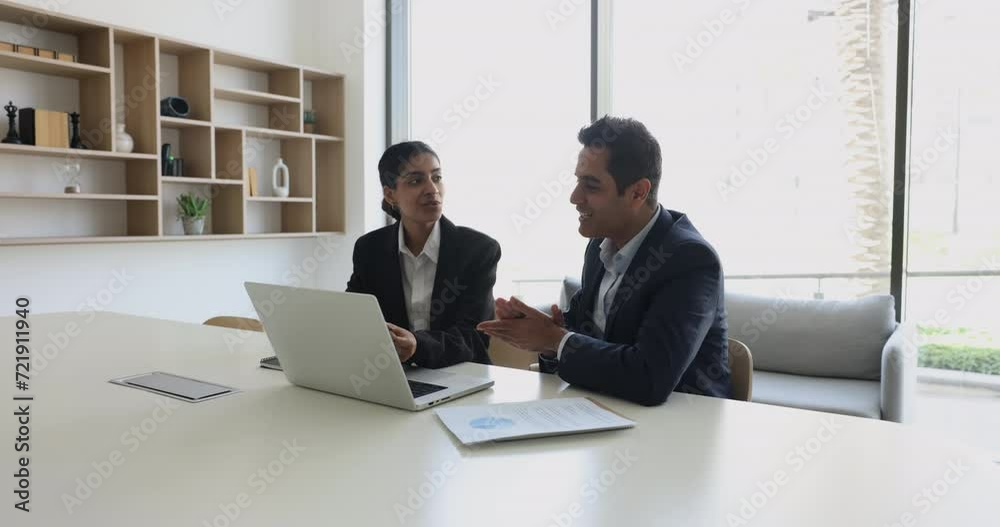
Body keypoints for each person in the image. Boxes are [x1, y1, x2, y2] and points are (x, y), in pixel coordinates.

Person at [478, 116, 730, 405]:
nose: (574, 197)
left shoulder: (689, 259)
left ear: (638, 192)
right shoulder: (600, 245)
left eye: (591, 185)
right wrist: (548, 339)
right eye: (577, 182)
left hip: (682, 426)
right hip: (609, 410)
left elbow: (650, 377)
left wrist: (555, 340)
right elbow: (591, 338)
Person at [347, 141, 500, 368]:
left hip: (461, 375)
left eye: (436, 178)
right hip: (392, 375)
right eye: (416, 181)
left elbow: (474, 338)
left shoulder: (478, 250)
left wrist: (417, 346)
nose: (432, 189)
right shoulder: (370, 249)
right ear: (390, 195)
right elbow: (354, 317)